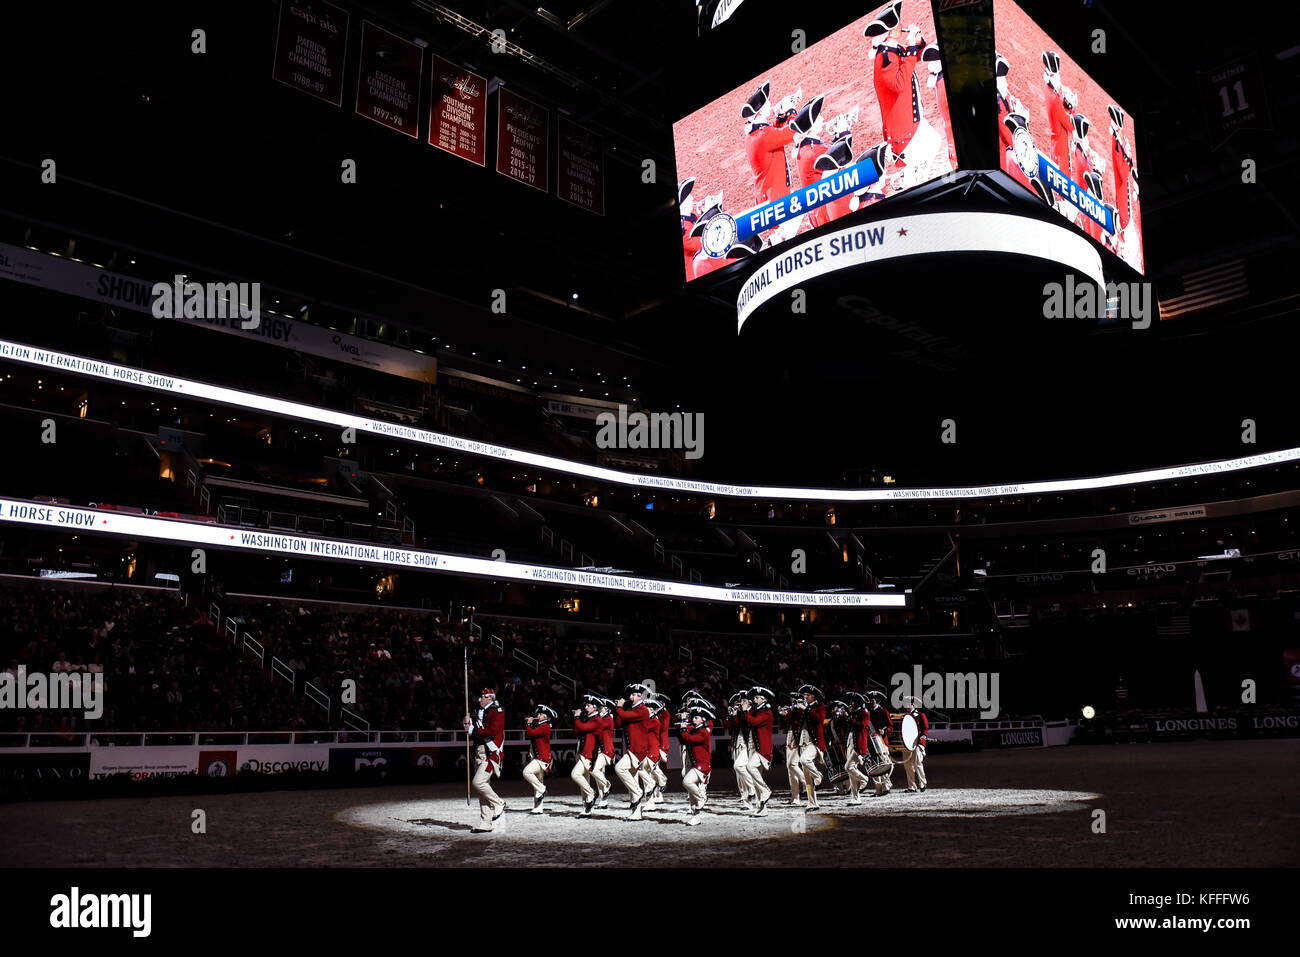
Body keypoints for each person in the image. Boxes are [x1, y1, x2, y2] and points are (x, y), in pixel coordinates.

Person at [463, 686, 506, 833]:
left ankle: (499, 802)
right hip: (479, 752)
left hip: (491, 753)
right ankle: (486, 822)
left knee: (478, 782)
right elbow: (474, 731)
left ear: (490, 697)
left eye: (482, 696)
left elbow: (492, 731)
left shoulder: (497, 712)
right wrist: (467, 724)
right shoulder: (477, 712)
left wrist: (473, 730)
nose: (479, 699)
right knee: (482, 790)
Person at [614, 683, 656, 820]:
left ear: (640, 696)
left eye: (632, 695)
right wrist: (621, 709)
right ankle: (636, 813)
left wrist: (619, 707)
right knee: (632, 778)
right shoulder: (632, 709)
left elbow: (625, 717)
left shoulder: (642, 710)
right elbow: (619, 723)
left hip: (637, 749)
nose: (630, 697)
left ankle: (638, 792)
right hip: (631, 748)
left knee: (619, 768)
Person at [679, 705, 714, 826]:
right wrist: (682, 726)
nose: (693, 719)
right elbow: (683, 739)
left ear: (703, 719)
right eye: (693, 717)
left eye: (696, 717)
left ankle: (701, 799)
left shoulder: (704, 731)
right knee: (691, 793)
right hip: (696, 764)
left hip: (702, 765)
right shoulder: (695, 729)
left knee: (687, 782)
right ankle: (696, 817)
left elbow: (690, 739)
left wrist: (683, 727)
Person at [743, 685, 775, 815]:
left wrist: (746, 710)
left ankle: (766, 790)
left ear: (764, 700)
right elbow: (745, 720)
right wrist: (745, 708)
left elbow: (754, 722)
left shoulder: (766, 713)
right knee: (756, 778)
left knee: (750, 767)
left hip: (763, 750)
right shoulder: (757, 711)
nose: (754, 699)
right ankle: (762, 809)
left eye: (757, 697)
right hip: (756, 748)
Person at [796, 684, 828, 812]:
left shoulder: (820, 707)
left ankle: (818, 776)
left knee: (804, 760)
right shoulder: (807, 708)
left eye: (807, 695)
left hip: (814, 743)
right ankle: (812, 802)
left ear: (813, 696)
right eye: (805, 695)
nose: (805, 697)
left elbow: (819, 719)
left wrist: (805, 709)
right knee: (806, 776)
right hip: (803, 743)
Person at [571, 695, 603, 816]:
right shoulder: (589, 718)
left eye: (588, 705)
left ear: (595, 708)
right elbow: (577, 731)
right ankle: (586, 808)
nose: (585, 707)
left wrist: (577, 718)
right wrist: (577, 719)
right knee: (582, 779)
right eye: (586, 705)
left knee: (575, 774)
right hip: (583, 752)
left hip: (589, 754)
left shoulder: (597, 719)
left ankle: (591, 793)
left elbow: (583, 727)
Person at [522, 704, 555, 813]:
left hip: (542, 758)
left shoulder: (545, 726)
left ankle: (542, 789)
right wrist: (531, 722)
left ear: (546, 717)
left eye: (541, 714)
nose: (538, 715)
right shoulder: (541, 724)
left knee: (527, 773)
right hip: (538, 756)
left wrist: (528, 723)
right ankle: (538, 807)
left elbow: (531, 733)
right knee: (538, 781)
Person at [728, 691, 758, 811]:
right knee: (739, 775)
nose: (741, 703)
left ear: (750, 702)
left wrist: (742, 712)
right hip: (737, 744)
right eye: (740, 702)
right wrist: (733, 715)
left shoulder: (753, 711)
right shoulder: (740, 712)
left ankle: (753, 791)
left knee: (740, 767)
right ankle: (746, 801)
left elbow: (748, 725)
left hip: (748, 745)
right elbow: (730, 726)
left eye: (744, 701)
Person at [842, 693, 873, 805]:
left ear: (859, 703)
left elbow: (862, 726)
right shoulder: (854, 713)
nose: (851, 703)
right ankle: (856, 798)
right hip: (850, 743)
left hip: (858, 745)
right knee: (851, 773)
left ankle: (864, 779)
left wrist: (848, 717)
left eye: (853, 702)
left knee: (848, 767)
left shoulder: (864, 713)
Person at [865, 691, 895, 797]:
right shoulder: (867, 712)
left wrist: (884, 731)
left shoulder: (883, 711)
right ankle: (878, 789)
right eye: (869, 700)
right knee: (874, 765)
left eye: (873, 700)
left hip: (881, 741)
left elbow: (890, 726)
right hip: (870, 742)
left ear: (877, 701)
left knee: (883, 763)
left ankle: (886, 786)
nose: (871, 702)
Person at [780, 691, 806, 805]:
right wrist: (784, 714)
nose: (793, 701)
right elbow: (783, 724)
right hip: (790, 737)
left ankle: (806, 782)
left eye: (795, 699)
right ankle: (795, 797)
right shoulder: (793, 709)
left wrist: (796, 708)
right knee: (789, 769)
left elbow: (800, 718)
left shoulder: (803, 708)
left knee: (793, 764)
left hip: (798, 737)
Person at [900, 695, 929, 793]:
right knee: (907, 764)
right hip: (906, 743)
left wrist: (924, 735)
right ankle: (912, 786)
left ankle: (922, 783)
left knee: (917, 763)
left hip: (917, 742)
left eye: (908, 703)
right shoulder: (904, 716)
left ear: (913, 705)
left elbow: (925, 727)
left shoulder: (920, 715)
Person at [596, 697, 616, 807]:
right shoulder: (602, 718)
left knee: (596, 771)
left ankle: (607, 785)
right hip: (600, 750)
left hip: (606, 750)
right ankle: (603, 800)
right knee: (599, 775)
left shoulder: (608, 719)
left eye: (602, 708)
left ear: (607, 709)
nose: (600, 710)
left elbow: (598, 727)